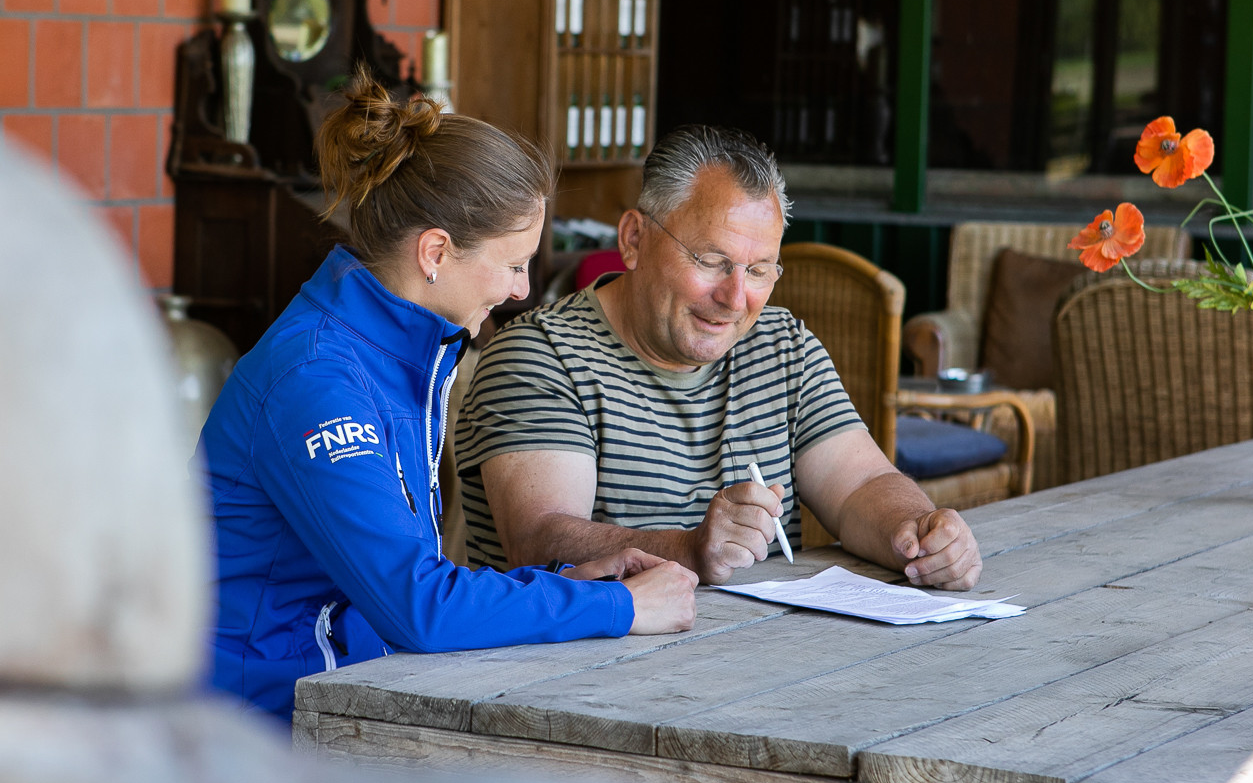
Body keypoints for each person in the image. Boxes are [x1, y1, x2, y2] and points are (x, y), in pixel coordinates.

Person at [202, 75, 699, 723]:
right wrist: (625, 609)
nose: (523, 288)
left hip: (336, 703)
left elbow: (407, 587)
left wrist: (569, 585)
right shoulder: (318, 381)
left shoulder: (393, 350)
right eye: (515, 262)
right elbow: (418, 606)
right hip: (252, 731)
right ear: (435, 251)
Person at [456, 124, 982, 592]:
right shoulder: (538, 355)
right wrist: (688, 550)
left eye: (759, 271)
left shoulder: (782, 345)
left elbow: (862, 487)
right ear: (634, 239)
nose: (735, 299)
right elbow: (539, 537)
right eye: (711, 261)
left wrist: (918, 533)